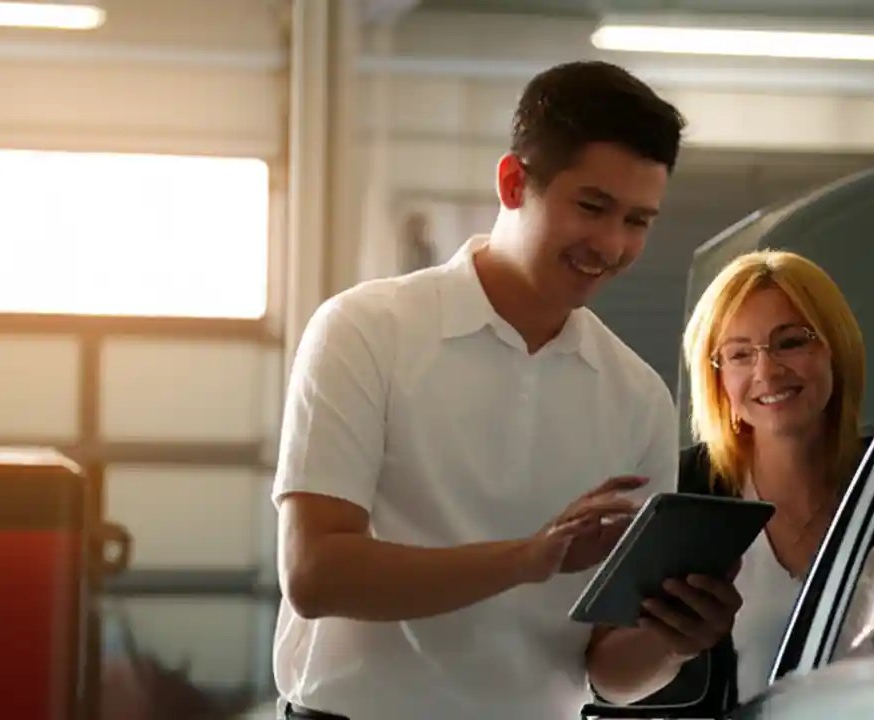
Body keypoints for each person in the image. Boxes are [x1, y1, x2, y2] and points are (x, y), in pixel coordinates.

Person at [270, 60, 742, 720]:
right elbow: (317, 574)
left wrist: (672, 643)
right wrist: (526, 560)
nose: (610, 244)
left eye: (638, 221)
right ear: (514, 182)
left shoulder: (637, 395)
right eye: (592, 207)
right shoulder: (366, 331)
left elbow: (610, 673)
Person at [677, 249, 866, 709]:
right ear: (716, 377)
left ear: (834, 348)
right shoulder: (683, 492)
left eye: (790, 342)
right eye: (740, 354)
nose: (766, 372)